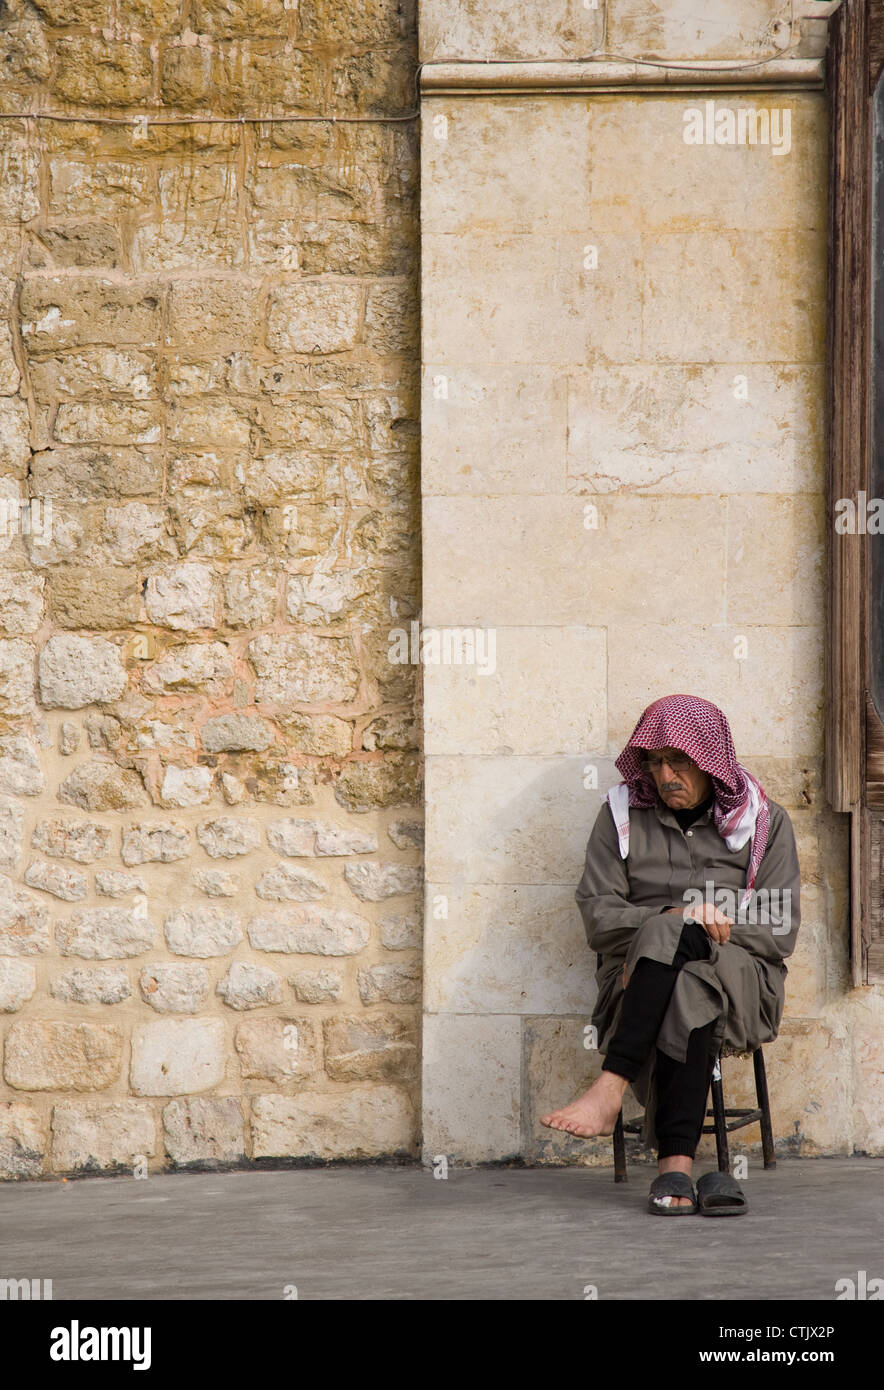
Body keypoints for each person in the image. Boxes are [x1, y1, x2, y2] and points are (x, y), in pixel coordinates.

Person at [541, 693, 801, 1215]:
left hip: (744, 980)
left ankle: (610, 1089)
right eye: (654, 761)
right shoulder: (620, 817)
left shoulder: (764, 823)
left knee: (685, 952)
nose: (664, 774)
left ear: (709, 760)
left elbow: (777, 927)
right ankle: (676, 1170)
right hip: (636, 979)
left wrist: (707, 924)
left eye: (678, 760)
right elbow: (599, 917)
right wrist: (674, 916)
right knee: (685, 977)